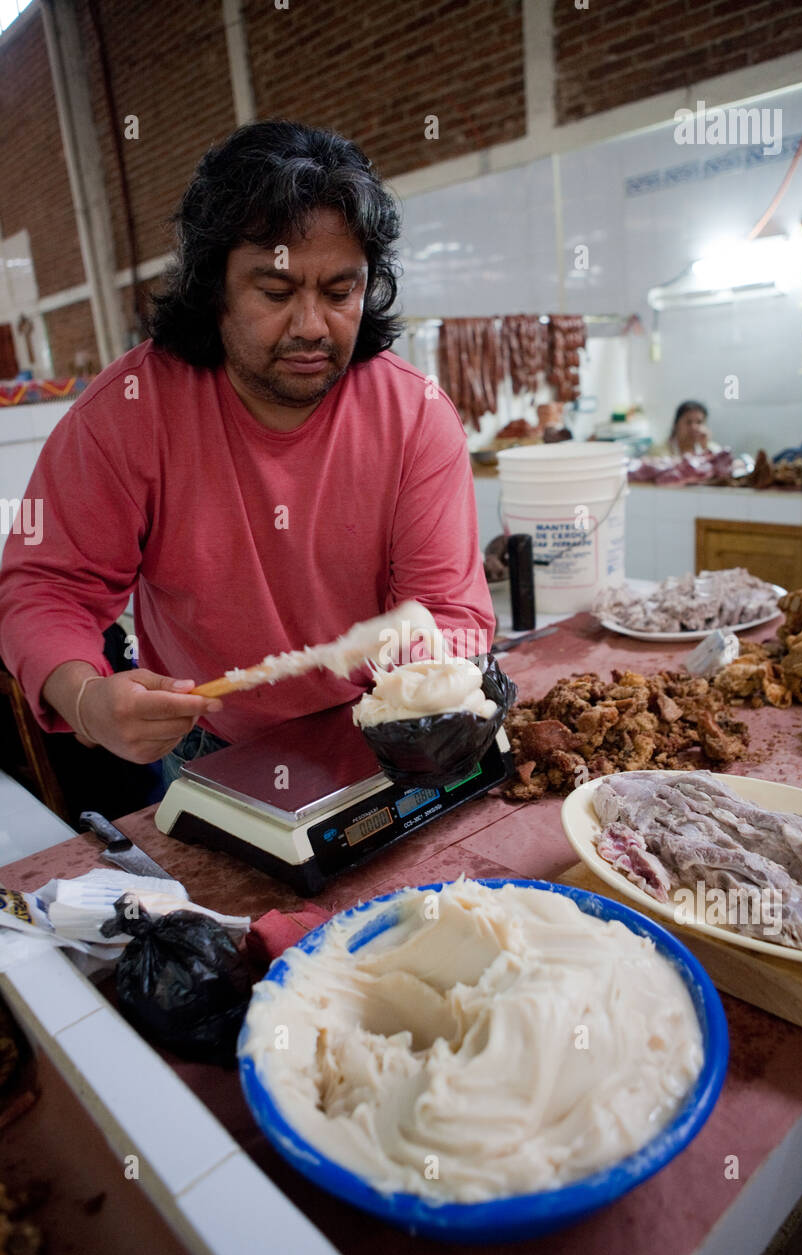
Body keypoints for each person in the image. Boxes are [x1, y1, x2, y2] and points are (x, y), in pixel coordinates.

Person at [0, 121, 494, 787]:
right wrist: (86, 699)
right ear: (215, 289)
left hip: (377, 730)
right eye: (277, 292)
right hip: (211, 746)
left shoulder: (415, 416)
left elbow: (447, 610)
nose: (313, 326)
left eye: (340, 291)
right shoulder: (130, 411)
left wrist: (434, 693)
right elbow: (45, 587)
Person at [651, 400, 721, 458]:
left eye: (699, 422)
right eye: (688, 422)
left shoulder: (713, 449)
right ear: (676, 425)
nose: (694, 427)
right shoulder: (658, 452)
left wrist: (705, 450)